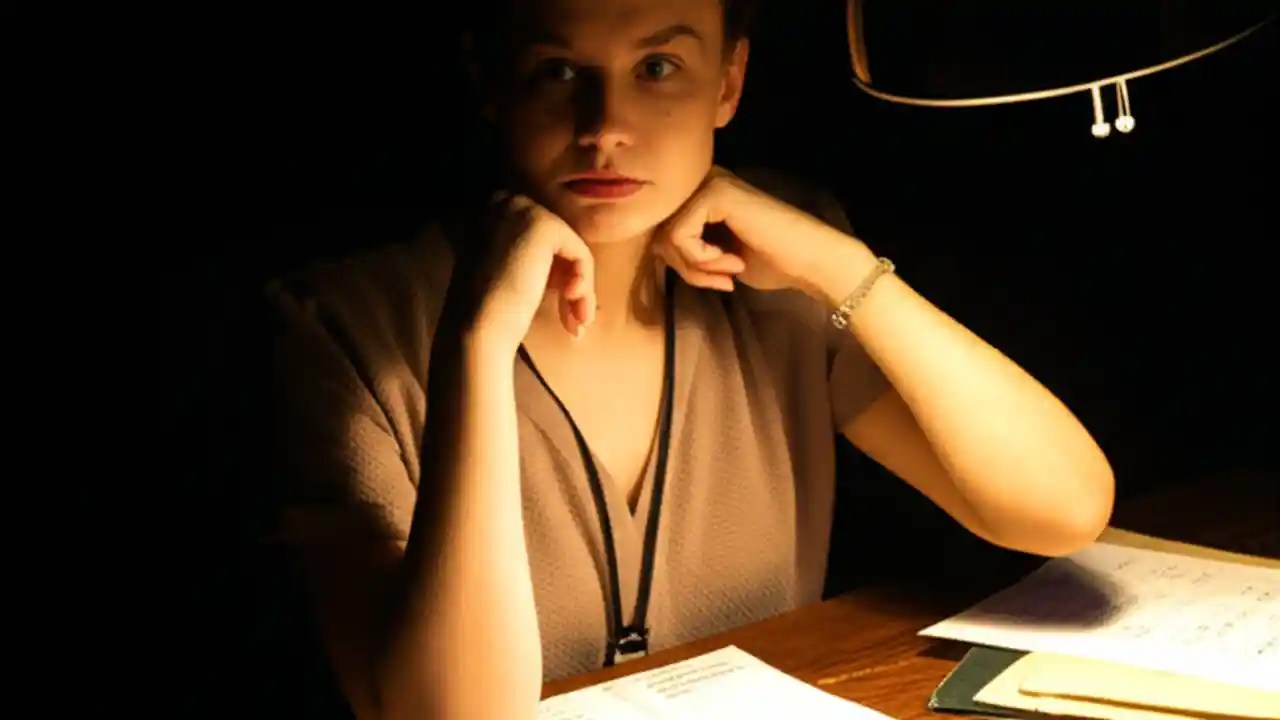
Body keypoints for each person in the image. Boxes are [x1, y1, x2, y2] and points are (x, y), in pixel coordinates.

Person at [265, 0, 1116, 717]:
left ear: (729, 82)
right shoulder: (343, 323)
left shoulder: (771, 277)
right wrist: (478, 345)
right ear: (490, 81)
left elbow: (1059, 509)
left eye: (658, 69)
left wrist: (843, 269)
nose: (605, 129)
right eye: (558, 70)